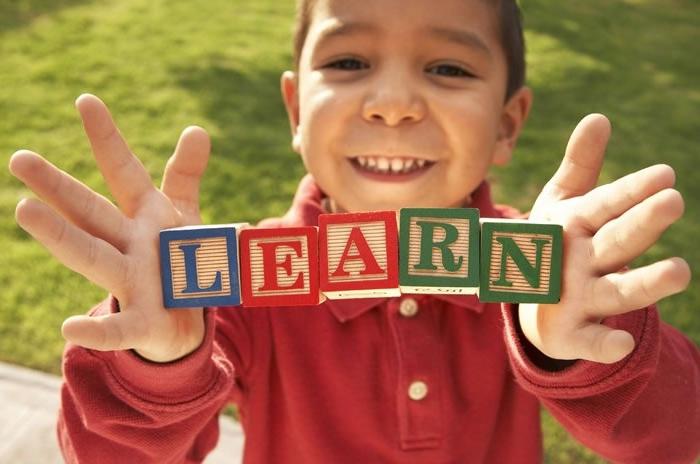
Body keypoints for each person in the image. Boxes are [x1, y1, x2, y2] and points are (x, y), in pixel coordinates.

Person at [8, 0, 699, 462]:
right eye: (348, 62)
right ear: (295, 112)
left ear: (508, 125)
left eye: (448, 68)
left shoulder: (548, 277)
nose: (393, 104)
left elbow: (680, 433)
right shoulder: (234, 288)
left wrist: (588, 350)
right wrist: (154, 362)